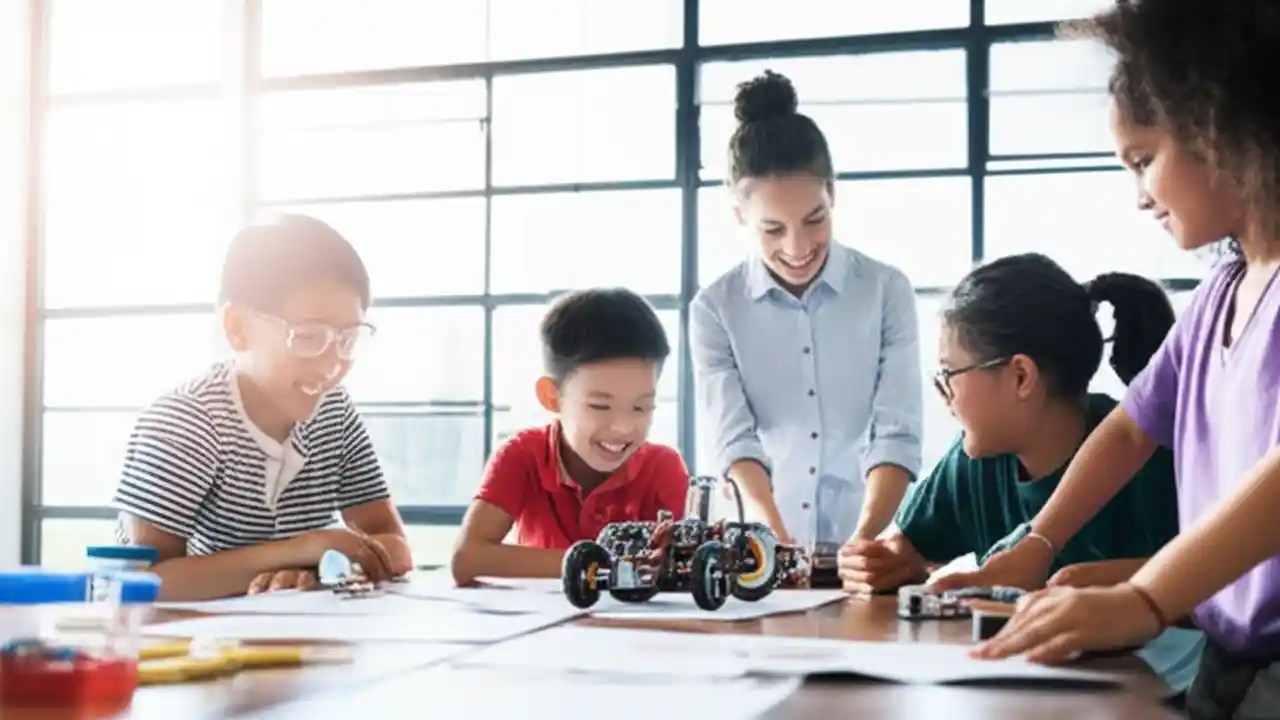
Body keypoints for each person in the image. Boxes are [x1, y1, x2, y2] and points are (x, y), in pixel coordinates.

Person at [946, 3, 1280, 715]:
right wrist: (1039, 543)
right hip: (1228, 664)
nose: (1140, 197)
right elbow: (1131, 428)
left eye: (1144, 160)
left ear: (1217, 126)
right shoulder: (1221, 290)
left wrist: (1145, 597)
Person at [837, 253, 1179, 596]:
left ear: (1020, 376)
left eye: (948, 374)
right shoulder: (975, 461)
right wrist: (881, 564)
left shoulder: (1150, 458)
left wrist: (1086, 584)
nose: (944, 396)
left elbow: (1214, 580)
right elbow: (905, 551)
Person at [114, 214, 413, 602]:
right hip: (192, 644)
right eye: (308, 336)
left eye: (348, 339)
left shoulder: (334, 412)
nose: (331, 364)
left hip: (291, 637)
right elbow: (147, 581)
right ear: (237, 327)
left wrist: (313, 566)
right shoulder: (187, 420)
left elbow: (395, 547)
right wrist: (301, 550)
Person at [691, 70, 923, 551]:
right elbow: (735, 441)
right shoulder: (714, 309)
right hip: (760, 546)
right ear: (739, 216)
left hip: (872, 543)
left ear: (832, 194)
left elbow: (896, 432)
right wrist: (774, 535)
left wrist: (863, 539)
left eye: (814, 220)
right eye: (772, 229)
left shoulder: (886, 290)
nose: (798, 247)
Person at [451, 288, 688, 586]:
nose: (623, 427)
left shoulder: (662, 466)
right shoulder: (522, 455)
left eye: (641, 407)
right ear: (552, 397)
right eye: (600, 406)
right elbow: (467, 559)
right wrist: (606, 565)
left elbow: (685, 565)